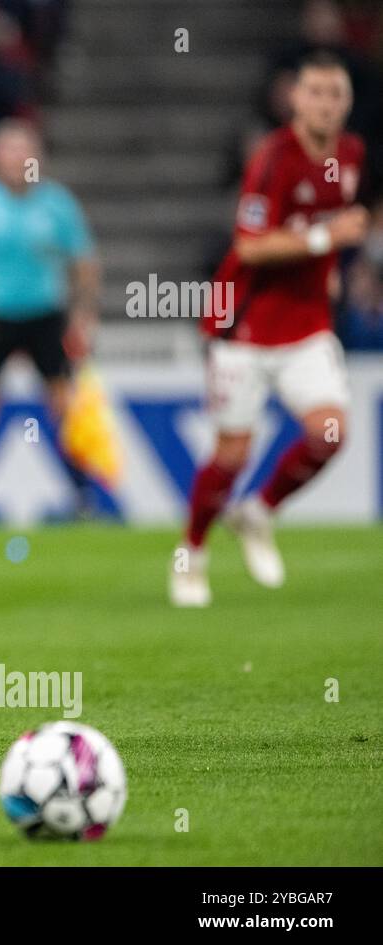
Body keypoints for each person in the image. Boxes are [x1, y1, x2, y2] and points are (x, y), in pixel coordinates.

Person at [171, 50, 368, 608]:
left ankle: (259, 513)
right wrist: (323, 242)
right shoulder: (273, 157)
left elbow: (333, 219)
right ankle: (192, 552)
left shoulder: (350, 154)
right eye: (316, 93)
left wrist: (324, 267)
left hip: (306, 327)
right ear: (296, 98)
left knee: (330, 433)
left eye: (337, 94)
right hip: (245, 326)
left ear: (347, 102)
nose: (326, 103)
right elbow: (251, 245)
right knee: (231, 455)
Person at [0, 118, 101, 514]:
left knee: (64, 408)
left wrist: (82, 314)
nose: (17, 159)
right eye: (9, 150)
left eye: (24, 151)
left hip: (45, 314)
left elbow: (83, 263)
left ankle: (81, 498)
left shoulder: (56, 203)